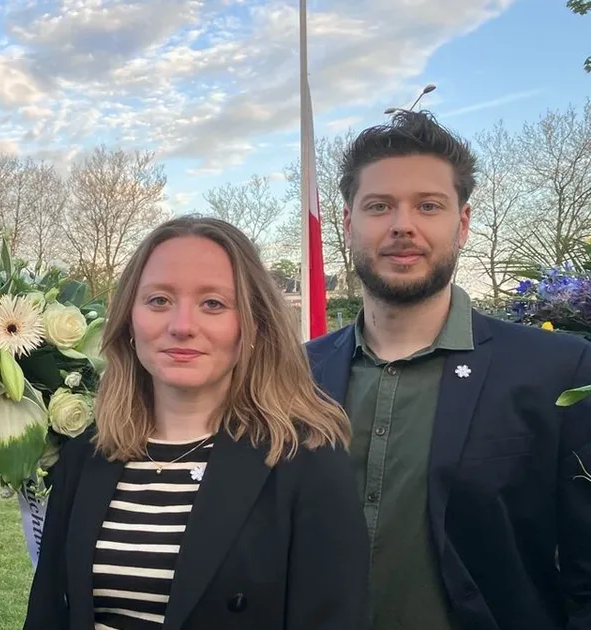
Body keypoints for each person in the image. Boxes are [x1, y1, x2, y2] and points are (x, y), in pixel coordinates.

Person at [306, 110, 591, 629]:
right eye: (379, 206)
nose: (402, 225)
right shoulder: (295, 375)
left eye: (428, 205)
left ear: (461, 224)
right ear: (348, 224)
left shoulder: (558, 371)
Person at [25, 216, 369, 630]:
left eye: (213, 304)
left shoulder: (306, 462)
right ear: (129, 320)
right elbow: (49, 612)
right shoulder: (87, 453)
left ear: (252, 324)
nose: (182, 326)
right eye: (158, 301)